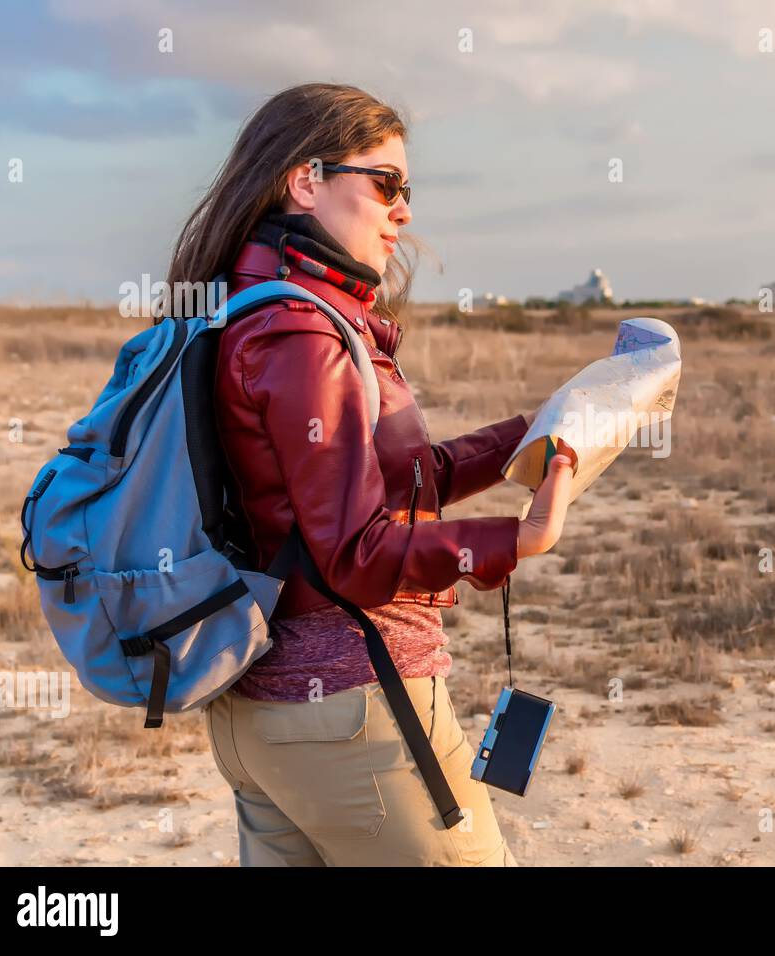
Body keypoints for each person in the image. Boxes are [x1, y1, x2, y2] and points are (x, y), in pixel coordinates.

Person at [168, 82, 574, 866]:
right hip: (353, 708)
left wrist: (532, 431)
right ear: (305, 180)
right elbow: (353, 554)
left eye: (408, 190)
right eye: (384, 184)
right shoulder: (299, 332)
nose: (404, 210)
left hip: (264, 719)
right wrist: (519, 538)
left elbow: (391, 482)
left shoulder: (249, 310)